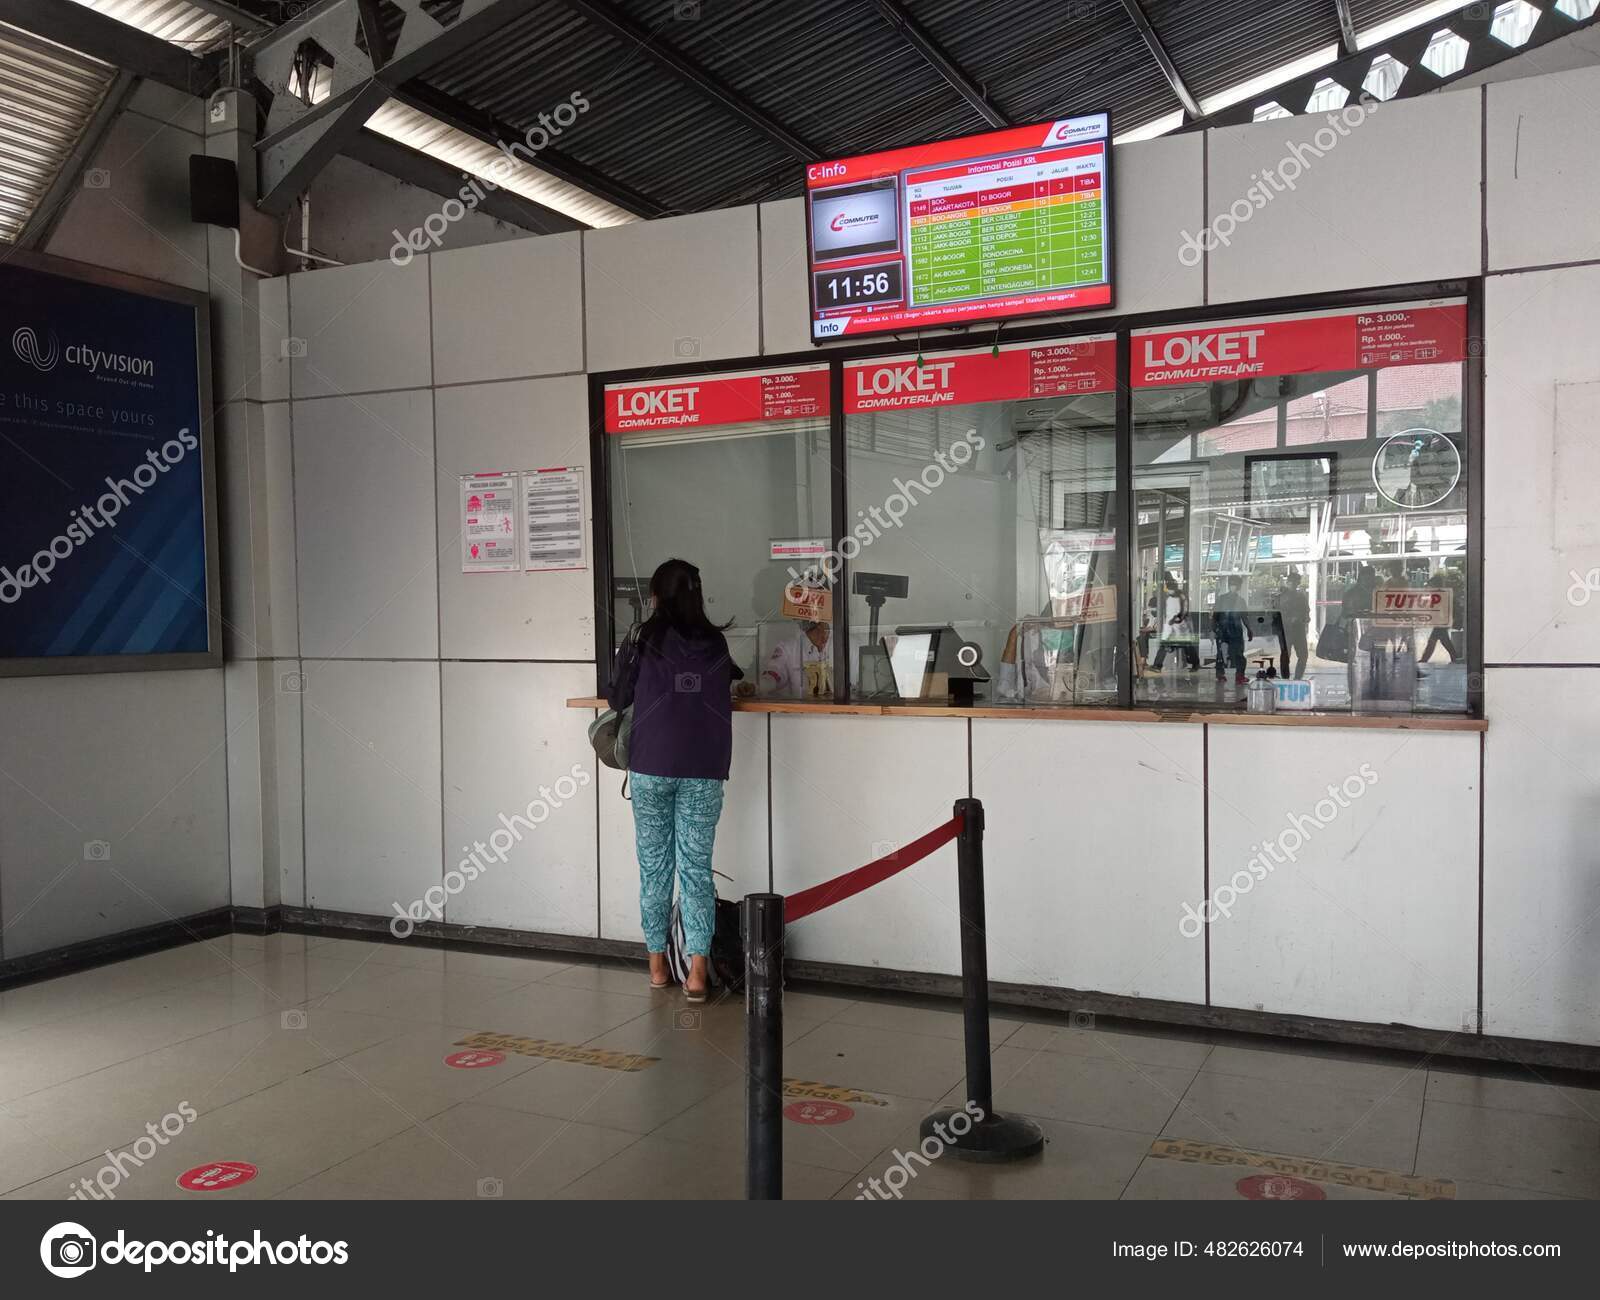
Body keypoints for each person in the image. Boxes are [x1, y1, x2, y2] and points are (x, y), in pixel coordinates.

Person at [607, 558, 741, 1002]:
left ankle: (658, 966)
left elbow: (618, 695)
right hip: (704, 768)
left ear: (656, 597)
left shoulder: (643, 638)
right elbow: (729, 682)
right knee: (695, 869)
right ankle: (698, 973)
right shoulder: (716, 642)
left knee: (654, 866)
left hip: (651, 765)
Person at [1150, 578, 1199, 672]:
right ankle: (1157, 665)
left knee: (1188, 646)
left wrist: (1175, 619)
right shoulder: (1168, 597)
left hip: (1180, 626)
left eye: (1169, 588)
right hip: (1170, 626)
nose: (1168, 590)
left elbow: (1183, 611)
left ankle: (1195, 663)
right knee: (1164, 645)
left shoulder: (1181, 597)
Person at [1212, 575, 1250, 685]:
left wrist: (1249, 629)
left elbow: (1244, 617)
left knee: (1238, 654)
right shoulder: (1222, 599)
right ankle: (1221, 674)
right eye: (1232, 584)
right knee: (1221, 653)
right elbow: (1215, 615)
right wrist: (1213, 629)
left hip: (1234, 630)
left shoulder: (1240, 601)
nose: (1234, 586)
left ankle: (1239, 676)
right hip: (1223, 629)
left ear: (1238, 587)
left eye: (1235, 584)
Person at [1276, 570, 1310, 679]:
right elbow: (1276, 613)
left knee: (1301, 655)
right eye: (1292, 582)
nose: (1293, 584)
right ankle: (1290, 678)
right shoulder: (1281, 597)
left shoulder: (1301, 597)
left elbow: (1306, 613)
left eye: (1295, 582)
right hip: (1287, 629)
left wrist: (1301, 619)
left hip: (1296, 629)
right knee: (1288, 655)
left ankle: (1295, 678)